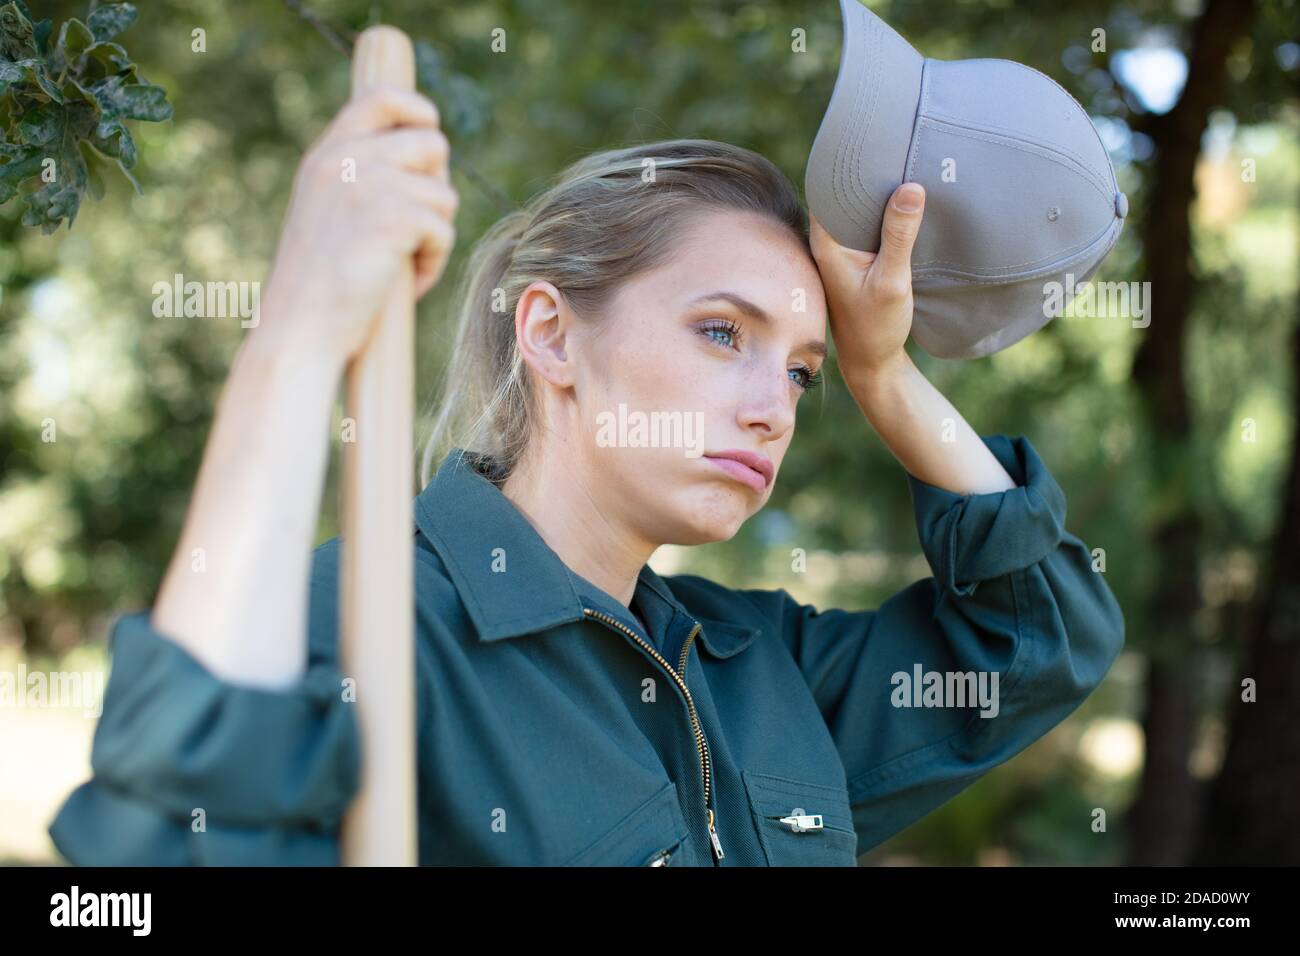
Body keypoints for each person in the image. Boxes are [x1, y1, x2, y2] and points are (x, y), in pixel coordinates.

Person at [48, 86, 1124, 866]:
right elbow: (154, 853)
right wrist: (294, 330)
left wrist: (882, 376)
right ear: (552, 337)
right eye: (719, 331)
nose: (772, 405)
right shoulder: (371, 622)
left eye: (801, 370)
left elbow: (1035, 642)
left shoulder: (763, 669)